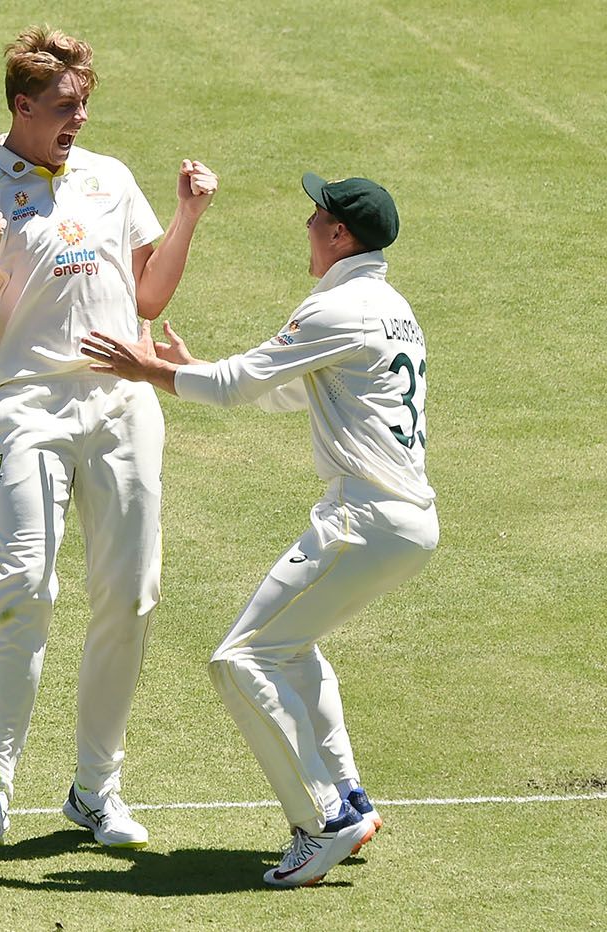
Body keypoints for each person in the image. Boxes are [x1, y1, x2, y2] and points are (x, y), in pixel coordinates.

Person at [80, 173, 438, 886]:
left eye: (316, 216)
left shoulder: (340, 306)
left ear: (340, 235)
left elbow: (239, 387)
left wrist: (148, 368)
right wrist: (192, 369)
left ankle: (322, 821)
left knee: (240, 660)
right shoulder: (390, 306)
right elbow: (285, 389)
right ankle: (352, 803)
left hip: (364, 516)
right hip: (404, 519)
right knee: (289, 649)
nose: (306, 224)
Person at [0, 25, 218, 848]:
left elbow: (149, 297)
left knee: (130, 596)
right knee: (25, 584)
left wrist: (188, 216)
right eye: (64, 106)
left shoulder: (109, 177)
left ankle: (96, 790)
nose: (79, 119)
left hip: (125, 407)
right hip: (30, 407)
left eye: (85, 104)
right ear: (22, 106)